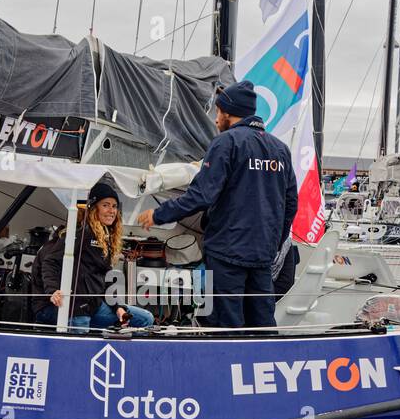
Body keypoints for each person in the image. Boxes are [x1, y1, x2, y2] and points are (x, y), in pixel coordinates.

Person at [138, 79, 297, 329]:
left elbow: (202, 195)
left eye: (217, 112)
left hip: (227, 254)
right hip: (262, 255)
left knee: (227, 323)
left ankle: (226, 365)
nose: (215, 119)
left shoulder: (227, 143)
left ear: (228, 113)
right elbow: (290, 204)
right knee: (262, 323)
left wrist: (158, 214)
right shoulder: (280, 149)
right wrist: (273, 243)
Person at [31, 180, 154, 331]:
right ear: (94, 208)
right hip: (66, 306)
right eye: (105, 205)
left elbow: (107, 279)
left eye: (114, 206)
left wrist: (119, 308)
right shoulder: (80, 233)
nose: (111, 210)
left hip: (91, 305)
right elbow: (50, 262)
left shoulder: (106, 239)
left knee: (145, 319)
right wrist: (53, 290)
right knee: (81, 342)